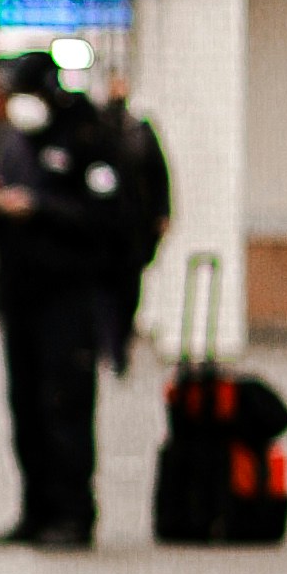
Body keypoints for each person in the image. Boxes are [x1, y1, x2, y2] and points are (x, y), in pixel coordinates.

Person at [0, 53, 127, 549]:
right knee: (26, 405)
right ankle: (35, 510)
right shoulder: (17, 143)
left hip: (68, 295)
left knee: (65, 404)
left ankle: (74, 514)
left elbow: (103, 219)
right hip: (21, 294)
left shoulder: (86, 137)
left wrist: (38, 208)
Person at [96, 72, 172, 370]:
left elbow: (159, 174)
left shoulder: (140, 131)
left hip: (133, 227)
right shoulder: (98, 130)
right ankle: (108, 344)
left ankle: (121, 343)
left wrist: (162, 213)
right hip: (103, 228)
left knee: (129, 290)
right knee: (104, 288)